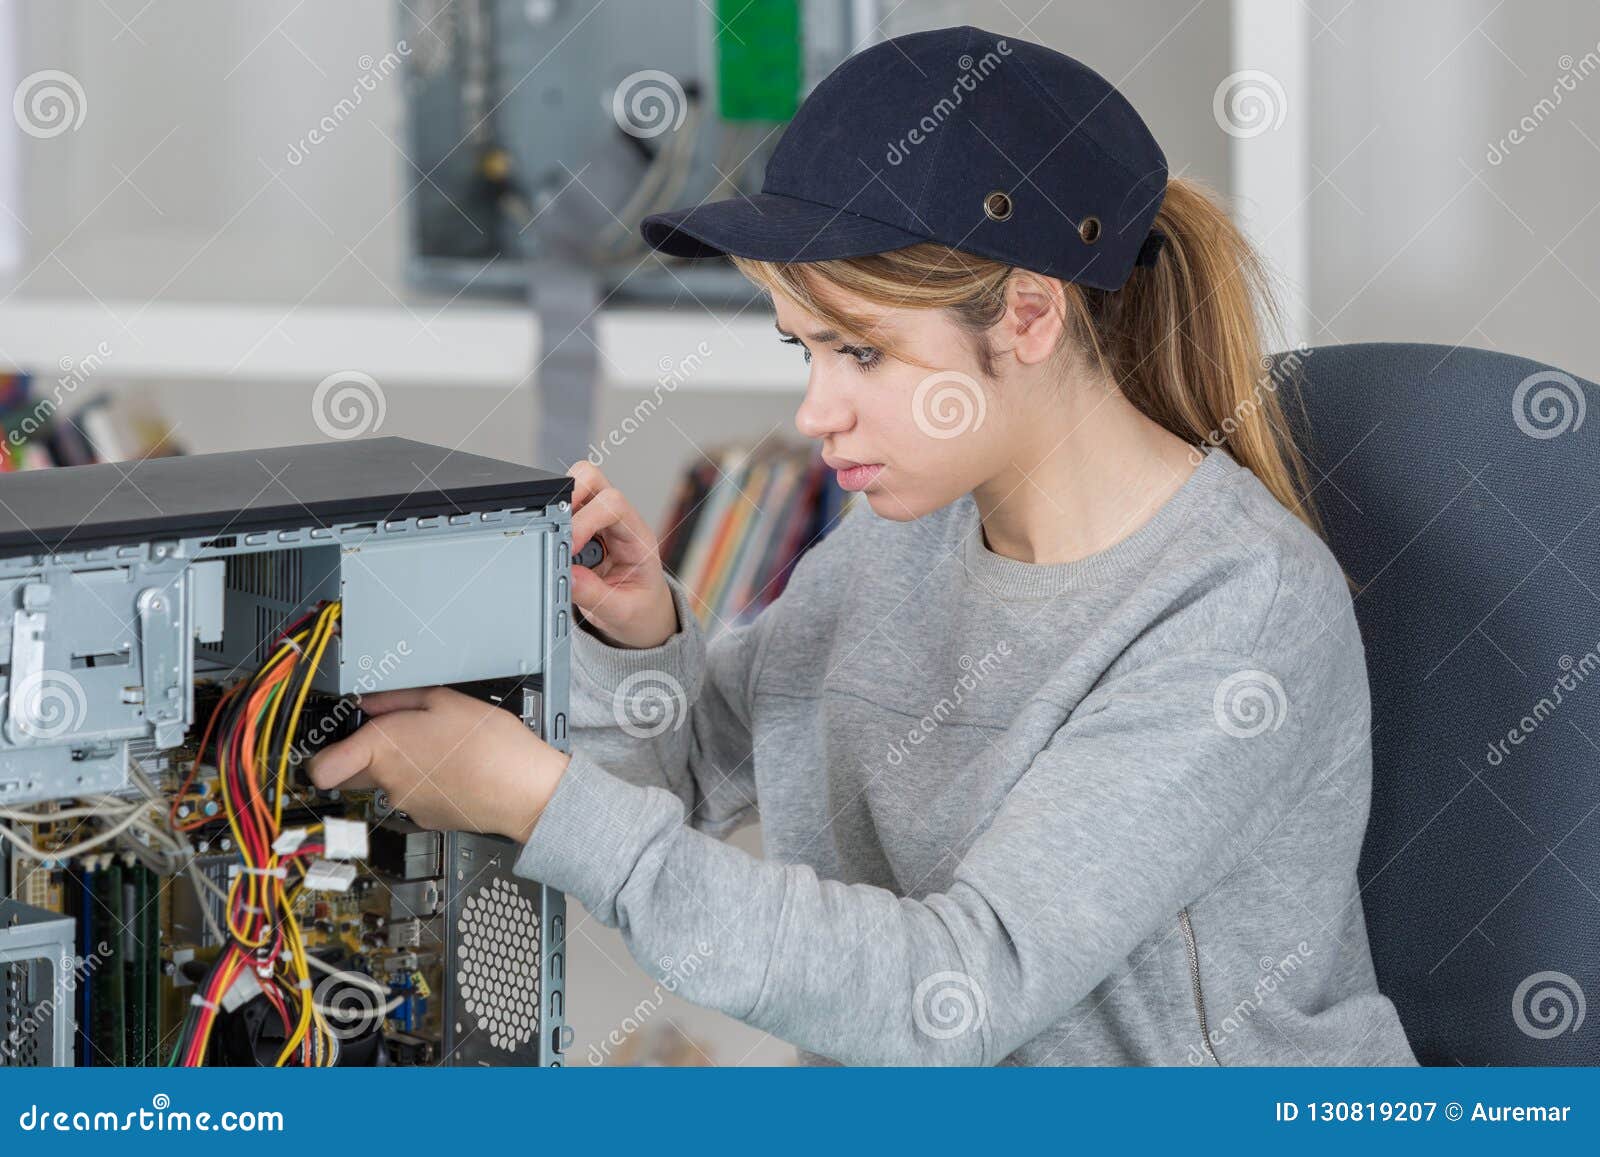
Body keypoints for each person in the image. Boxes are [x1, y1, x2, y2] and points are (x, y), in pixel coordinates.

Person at [309, 25, 1419, 1067]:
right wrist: (644, 641)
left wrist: (538, 799)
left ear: (1029, 316)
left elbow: (955, 990)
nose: (815, 413)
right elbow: (688, 781)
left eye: (862, 354)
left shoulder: (1233, 606)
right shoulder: (906, 537)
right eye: (804, 350)